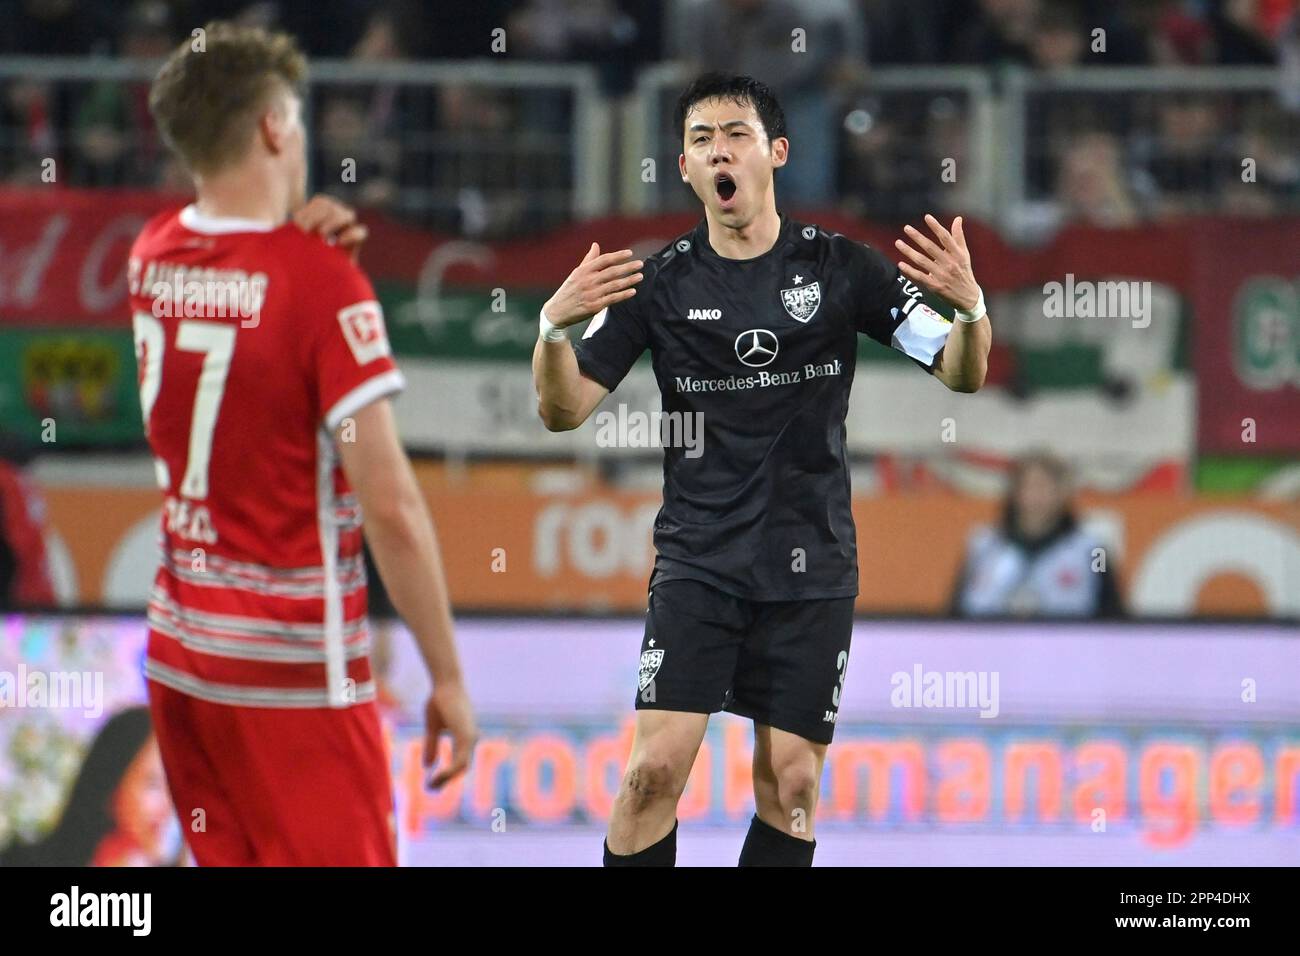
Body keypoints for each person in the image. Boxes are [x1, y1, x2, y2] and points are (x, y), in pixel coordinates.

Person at [533, 72, 991, 866]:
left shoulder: (843, 268)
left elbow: (961, 373)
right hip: (700, 561)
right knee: (650, 774)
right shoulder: (656, 283)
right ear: (684, 167)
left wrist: (973, 312)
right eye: (703, 139)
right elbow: (562, 409)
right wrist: (548, 332)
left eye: (737, 135)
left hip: (811, 565)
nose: (721, 151)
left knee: (793, 786)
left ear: (775, 152)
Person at [130, 21, 475, 866]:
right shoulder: (321, 284)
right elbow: (390, 507)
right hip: (294, 677)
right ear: (276, 129)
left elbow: (246, 315)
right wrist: (449, 678)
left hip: (183, 662)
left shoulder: (152, 255)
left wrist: (307, 264)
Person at [950, 454, 1124, 619]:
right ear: (1015, 492)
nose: (1036, 497)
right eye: (1028, 486)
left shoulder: (1093, 550)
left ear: (1062, 493)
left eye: (1044, 487)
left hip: (1068, 646)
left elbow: (1111, 614)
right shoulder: (983, 547)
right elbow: (956, 612)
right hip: (993, 646)